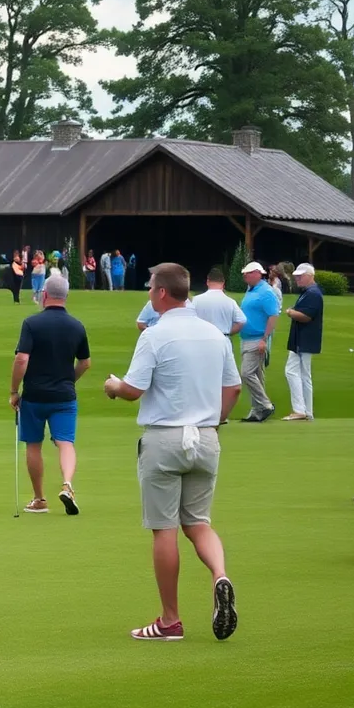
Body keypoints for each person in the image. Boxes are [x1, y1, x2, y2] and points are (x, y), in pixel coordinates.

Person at [103, 262, 241, 642]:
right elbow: (233, 389)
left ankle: (170, 620)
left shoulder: (155, 335)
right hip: (206, 437)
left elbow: (133, 388)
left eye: (150, 287)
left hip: (165, 438)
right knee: (198, 523)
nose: (149, 293)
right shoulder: (217, 335)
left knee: (164, 529)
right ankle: (220, 576)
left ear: (162, 292)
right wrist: (215, 422)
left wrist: (113, 387)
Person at [10, 275, 90, 515]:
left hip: (34, 395)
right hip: (64, 396)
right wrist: (68, 380)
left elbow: (22, 358)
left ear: (44, 294)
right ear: (66, 296)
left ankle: (39, 499)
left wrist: (14, 391)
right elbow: (85, 363)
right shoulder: (77, 325)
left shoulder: (32, 323)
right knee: (65, 442)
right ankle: (67, 484)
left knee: (33, 444)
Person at [238, 261, 280, 422]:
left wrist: (264, 339)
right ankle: (257, 411)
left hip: (258, 339)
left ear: (257, 273)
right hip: (246, 338)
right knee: (256, 375)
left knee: (246, 373)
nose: (244, 276)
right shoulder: (251, 290)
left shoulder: (266, 292)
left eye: (247, 274)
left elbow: (273, 316)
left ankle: (266, 405)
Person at [282, 263, 323, 421]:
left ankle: (300, 410)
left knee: (293, 371)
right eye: (296, 276)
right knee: (304, 374)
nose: (297, 279)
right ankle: (306, 410)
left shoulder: (313, 293)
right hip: (303, 339)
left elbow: (306, 316)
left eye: (300, 276)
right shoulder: (309, 292)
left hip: (305, 339)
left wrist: (291, 312)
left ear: (310, 276)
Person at [191, 268, 246, 338]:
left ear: (207, 281)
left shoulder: (195, 300)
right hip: (222, 338)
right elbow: (242, 320)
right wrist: (228, 333)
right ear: (223, 283)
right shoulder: (230, 302)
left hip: (201, 338)